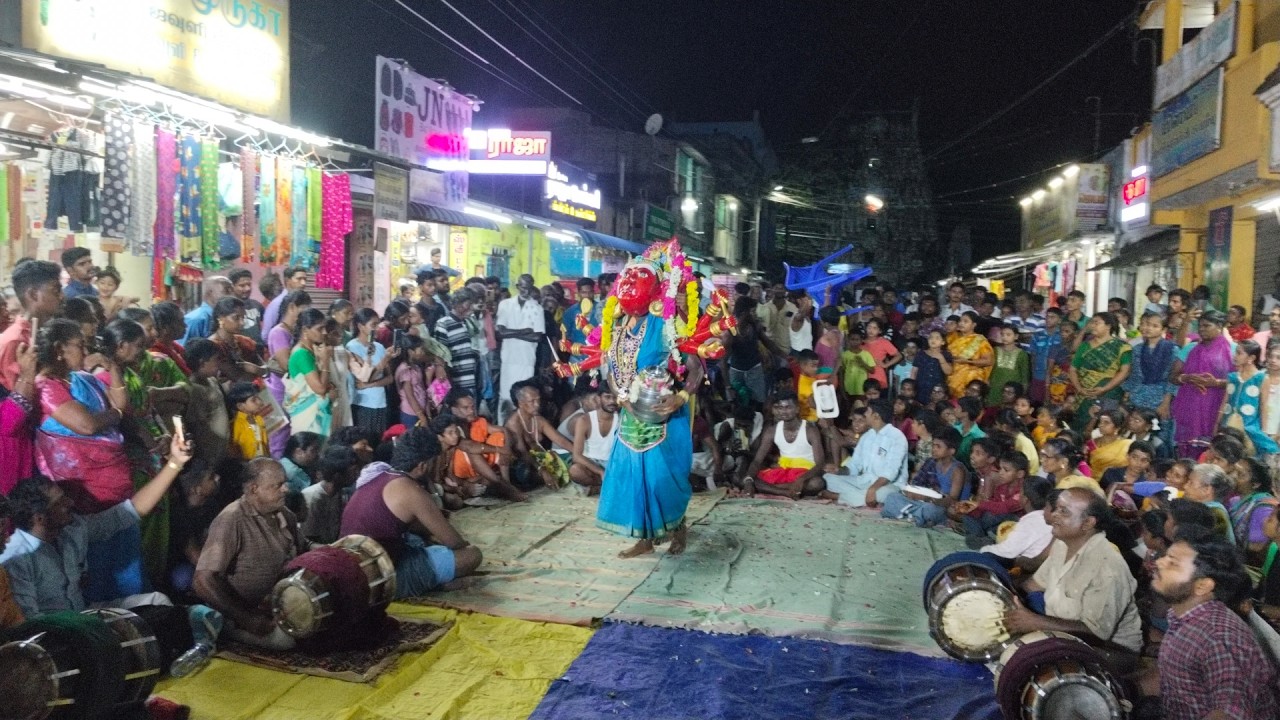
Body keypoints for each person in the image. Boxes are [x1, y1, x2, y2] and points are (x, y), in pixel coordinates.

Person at [1, 432, 190, 617]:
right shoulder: (17, 558)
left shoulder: (73, 530)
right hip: (57, 632)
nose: (71, 503)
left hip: (85, 616)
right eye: (60, 502)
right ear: (39, 518)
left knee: (158, 601)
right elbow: (29, 622)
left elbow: (129, 512)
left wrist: (176, 463)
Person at [1141, 536, 1280, 720]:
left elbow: (1231, 712)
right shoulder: (1184, 618)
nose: (1159, 562)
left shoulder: (1218, 636)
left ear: (1202, 586)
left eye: (1173, 563)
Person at [340, 427, 483, 597]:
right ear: (422, 465)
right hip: (381, 578)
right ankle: (430, 582)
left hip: (353, 569)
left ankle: (431, 576)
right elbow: (455, 543)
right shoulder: (410, 490)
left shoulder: (380, 475)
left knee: (424, 543)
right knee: (472, 555)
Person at [1002, 487, 1142, 657]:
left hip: (1109, 651)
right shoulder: (1062, 545)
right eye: (1056, 508)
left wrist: (1034, 621)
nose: (1054, 515)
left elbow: (1095, 634)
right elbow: (1032, 585)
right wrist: (1002, 593)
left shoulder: (1107, 567)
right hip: (1061, 635)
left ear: (1088, 523)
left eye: (1064, 512)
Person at [194, 458, 307, 650]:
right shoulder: (231, 519)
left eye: (285, 483)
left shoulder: (285, 514)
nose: (286, 489)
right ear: (254, 489)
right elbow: (202, 581)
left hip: (276, 605)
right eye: (278, 485)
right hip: (241, 613)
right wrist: (247, 619)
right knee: (287, 641)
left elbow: (304, 552)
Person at [821, 399, 908, 508]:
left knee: (884, 494)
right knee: (828, 478)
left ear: (876, 416)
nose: (865, 414)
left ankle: (838, 496)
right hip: (864, 482)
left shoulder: (897, 437)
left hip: (888, 485)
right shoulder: (867, 436)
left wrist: (873, 489)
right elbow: (854, 466)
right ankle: (856, 497)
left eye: (867, 412)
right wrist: (839, 470)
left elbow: (891, 472)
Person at [740, 391, 827, 499]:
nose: (783, 411)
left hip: (805, 472)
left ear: (797, 409)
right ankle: (785, 492)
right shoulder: (772, 430)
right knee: (745, 478)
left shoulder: (810, 430)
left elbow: (820, 463)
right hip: (783, 471)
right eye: (780, 408)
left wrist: (801, 480)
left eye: (788, 407)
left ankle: (772, 489)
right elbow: (757, 460)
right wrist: (749, 480)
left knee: (817, 483)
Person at [1172, 310, 1233, 457]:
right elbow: (1173, 376)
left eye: (1207, 326)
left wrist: (1216, 383)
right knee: (1187, 452)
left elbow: (1239, 381)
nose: (1201, 329)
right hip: (1190, 407)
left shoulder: (1233, 350)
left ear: (1219, 326)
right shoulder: (1191, 348)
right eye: (1199, 326)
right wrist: (1187, 378)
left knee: (1213, 451)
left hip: (1217, 407)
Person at [444, 388, 522, 501]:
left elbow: (504, 430)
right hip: (461, 471)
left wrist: (506, 449)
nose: (471, 411)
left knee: (499, 437)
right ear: (454, 410)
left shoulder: (478, 421)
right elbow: (470, 446)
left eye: (472, 407)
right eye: (465, 408)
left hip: (483, 467)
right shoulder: (451, 427)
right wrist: (500, 450)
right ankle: (504, 487)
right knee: (473, 451)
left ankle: (506, 482)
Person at [876, 425, 963, 524]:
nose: (934, 449)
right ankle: (914, 515)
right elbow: (917, 483)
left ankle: (909, 513)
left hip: (938, 506)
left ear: (951, 451)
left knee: (931, 510)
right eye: (933, 445)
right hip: (920, 502)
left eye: (938, 446)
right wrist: (912, 493)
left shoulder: (957, 470)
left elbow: (952, 500)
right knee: (892, 497)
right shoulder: (930, 462)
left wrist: (929, 499)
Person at [0, 259, 62, 390]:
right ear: (33, 294)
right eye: (55, 291)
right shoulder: (15, 341)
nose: (61, 296)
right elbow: (18, 397)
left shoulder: (47, 331)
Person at [504, 381, 574, 490]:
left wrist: (579, 454)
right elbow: (523, 452)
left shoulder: (538, 420)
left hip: (542, 459)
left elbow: (560, 440)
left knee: (572, 461)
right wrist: (542, 470)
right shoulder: (514, 423)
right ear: (521, 403)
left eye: (538, 400)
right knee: (525, 473)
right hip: (524, 463)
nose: (537, 405)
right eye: (532, 401)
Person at [266, 290, 311, 456]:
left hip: (293, 392)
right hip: (279, 392)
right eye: (304, 309)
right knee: (279, 436)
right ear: (292, 307)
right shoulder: (279, 332)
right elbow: (287, 365)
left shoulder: (294, 332)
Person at [1069, 312, 1132, 430]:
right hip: (1084, 392)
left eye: (1096, 323)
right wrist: (1079, 389)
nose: (1092, 325)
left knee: (1105, 425)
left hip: (1109, 393)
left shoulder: (1122, 347)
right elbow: (1073, 369)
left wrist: (1104, 388)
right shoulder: (1084, 346)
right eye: (1092, 323)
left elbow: (1125, 371)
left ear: (1108, 326)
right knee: (1081, 426)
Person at [979, 475, 1055, 570]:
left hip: (1027, 567)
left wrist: (985, 550)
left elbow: (1007, 551)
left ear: (1025, 499)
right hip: (1035, 562)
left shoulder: (1031, 523)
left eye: (1020, 493)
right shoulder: (1047, 518)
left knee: (987, 555)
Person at [496, 274, 545, 419]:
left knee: (524, 399)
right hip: (508, 359)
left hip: (527, 360)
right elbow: (500, 333)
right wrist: (524, 331)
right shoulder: (505, 304)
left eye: (529, 287)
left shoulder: (537, 308)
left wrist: (511, 333)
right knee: (505, 398)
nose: (526, 291)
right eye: (523, 287)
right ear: (517, 287)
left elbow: (537, 336)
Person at [1224, 339, 1277, 458]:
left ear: (1251, 358)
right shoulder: (1232, 377)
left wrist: (1263, 432)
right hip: (1228, 426)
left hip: (1250, 428)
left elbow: (1263, 406)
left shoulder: (1262, 378)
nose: (1235, 356)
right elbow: (1224, 403)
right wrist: (1218, 425)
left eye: (1239, 353)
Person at [284, 308, 333, 437]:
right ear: (305, 330)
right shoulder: (302, 354)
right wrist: (326, 361)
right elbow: (320, 389)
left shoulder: (312, 349)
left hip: (317, 412)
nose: (325, 332)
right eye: (319, 329)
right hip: (308, 415)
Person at [1123, 311, 1177, 425]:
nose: (1148, 328)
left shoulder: (1172, 349)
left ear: (1164, 329)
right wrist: (1128, 392)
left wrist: (1166, 402)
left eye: (1154, 326)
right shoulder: (1137, 348)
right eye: (1145, 324)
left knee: (1158, 431)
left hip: (1161, 398)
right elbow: (1135, 374)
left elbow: (1173, 377)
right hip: (1138, 397)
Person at [347, 308, 394, 436]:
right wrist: (385, 359)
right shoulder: (352, 347)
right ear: (361, 326)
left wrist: (369, 385)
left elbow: (390, 378)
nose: (377, 328)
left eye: (378, 324)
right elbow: (366, 376)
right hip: (363, 403)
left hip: (380, 401)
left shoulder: (379, 346)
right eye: (373, 325)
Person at [301, 445, 359, 544]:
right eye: (353, 471)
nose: (358, 474)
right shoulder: (312, 498)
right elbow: (307, 540)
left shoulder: (339, 493)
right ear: (337, 476)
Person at [568, 388, 618, 495]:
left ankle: (599, 488)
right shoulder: (584, 420)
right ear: (598, 399)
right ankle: (608, 486)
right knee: (575, 471)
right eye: (607, 397)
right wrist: (600, 471)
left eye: (615, 397)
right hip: (591, 465)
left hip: (612, 464)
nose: (612, 401)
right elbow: (576, 456)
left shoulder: (622, 419)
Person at [433, 287, 480, 400]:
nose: (472, 308)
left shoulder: (470, 322)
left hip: (473, 379)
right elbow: (438, 353)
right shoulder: (443, 324)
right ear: (458, 304)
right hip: (456, 381)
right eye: (468, 305)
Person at [945, 311, 993, 399]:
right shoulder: (952, 337)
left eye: (965, 321)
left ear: (974, 325)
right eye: (960, 321)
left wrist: (966, 361)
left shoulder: (980, 340)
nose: (961, 323)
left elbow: (988, 361)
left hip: (970, 382)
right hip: (952, 379)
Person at [181, 276, 232, 346]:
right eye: (226, 291)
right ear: (210, 292)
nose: (231, 296)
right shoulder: (195, 319)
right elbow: (182, 350)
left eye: (231, 291)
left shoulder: (226, 317)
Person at [260, 266, 308, 339]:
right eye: (299, 279)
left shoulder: (304, 300)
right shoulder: (277, 303)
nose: (303, 283)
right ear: (287, 281)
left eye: (305, 279)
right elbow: (266, 335)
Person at [1085, 406, 1133, 476]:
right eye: (1100, 422)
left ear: (1117, 428)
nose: (1101, 425)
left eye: (1106, 423)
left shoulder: (1127, 445)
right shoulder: (1091, 444)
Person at [227, 381, 270, 461]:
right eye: (253, 400)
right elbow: (234, 454)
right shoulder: (235, 427)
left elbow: (265, 444)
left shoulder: (258, 418)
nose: (260, 402)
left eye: (258, 398)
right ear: (240, 406)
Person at [325, 318, 354, 429]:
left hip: (344, 398)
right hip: (329, 401)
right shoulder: (319, 354)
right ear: (326, 335)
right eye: (335, 333)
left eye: (340, 331)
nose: (340, 335)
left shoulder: (342, 352)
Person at [149, 301, 191, 376]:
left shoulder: (175, 347)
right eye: (180, 322)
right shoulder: (155, 353)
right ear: (165, 327)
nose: (185, 325)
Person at [227, 268, 265, 346]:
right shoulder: (227, 308)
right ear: (232, 287)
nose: (247, 288)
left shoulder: (257, 305)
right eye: (242, 285)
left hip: (257, 350)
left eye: (249, 284)